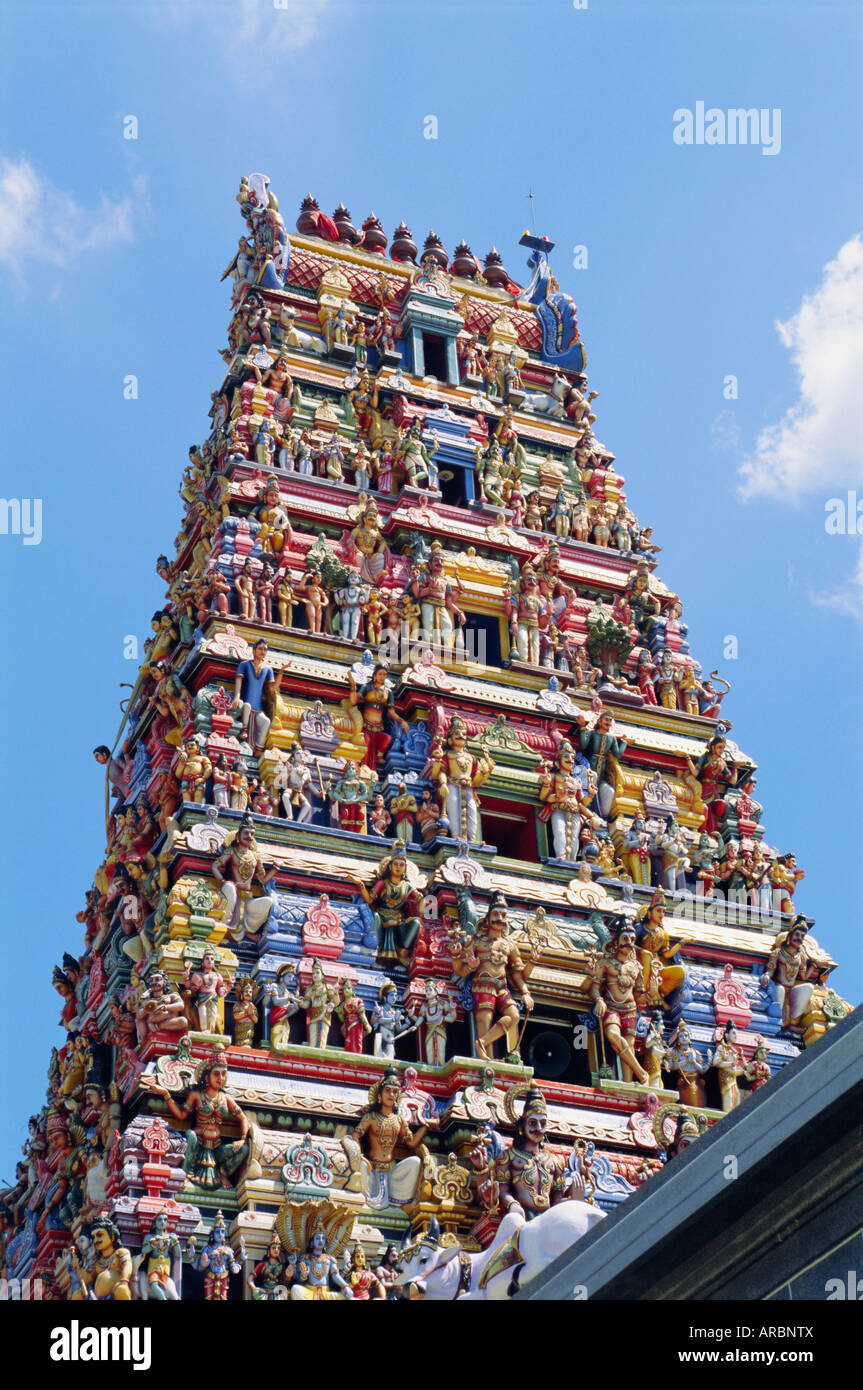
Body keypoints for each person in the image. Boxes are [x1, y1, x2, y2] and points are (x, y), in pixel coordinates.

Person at [230, 638, 283, 755]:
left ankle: (258, 749)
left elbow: (272, 688)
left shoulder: (268, 669)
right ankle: (243, 731)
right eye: (260, 648)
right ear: (253, 650)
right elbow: (238, 680)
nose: (262, 651)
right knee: (247, 706)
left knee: (266, 722)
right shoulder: (244, 665)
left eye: (265, 649)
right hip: (246, 704)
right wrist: (237, 696)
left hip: (259, 708)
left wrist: (280, 673)